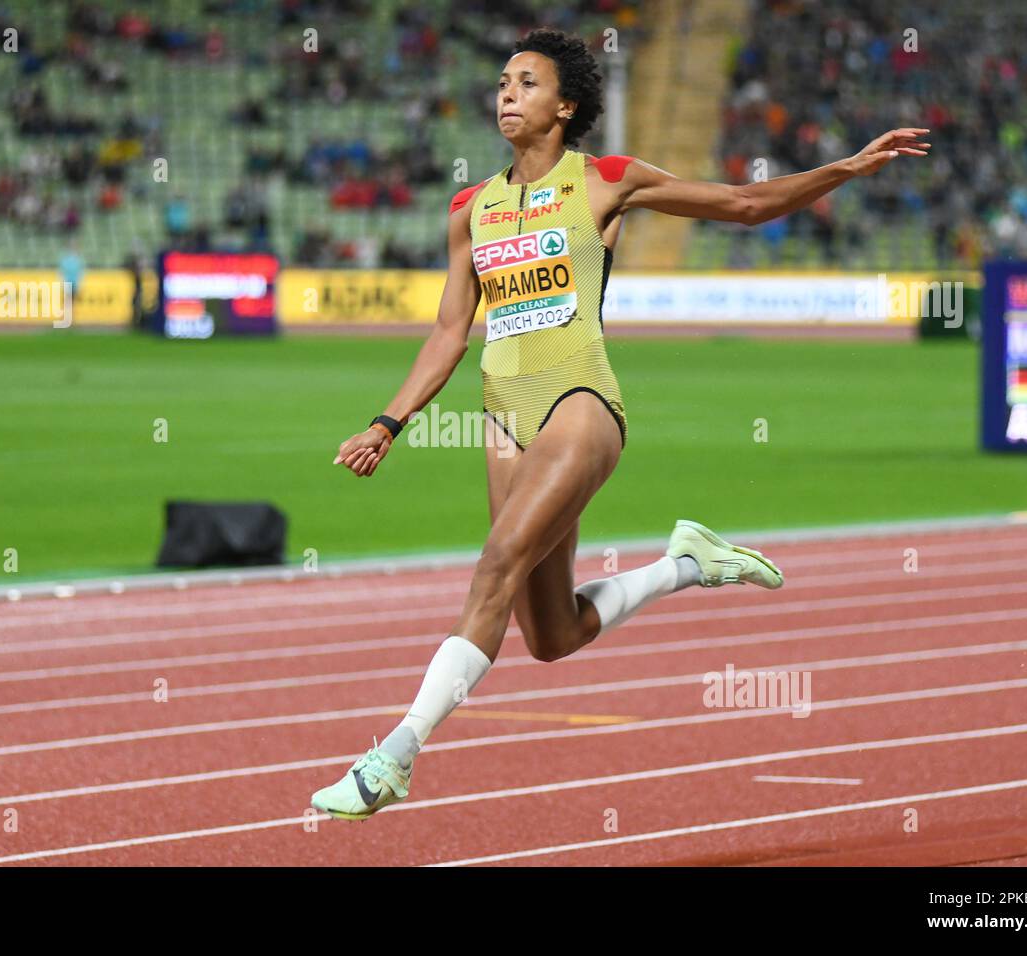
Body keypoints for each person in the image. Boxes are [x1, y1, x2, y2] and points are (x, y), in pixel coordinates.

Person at [311, 29, 929, 820]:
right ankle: (687, 564)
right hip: (503, 414)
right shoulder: (470, 210)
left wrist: (846, 167)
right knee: (551, 634)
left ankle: (392, 758)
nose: (506, 93)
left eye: (527, 83)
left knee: (496, 561)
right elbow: (448, 333)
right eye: (503, 81)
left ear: (565, 106)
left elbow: (741, 205)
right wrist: (387, 424)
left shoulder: (607, 182)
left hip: (579, 402)